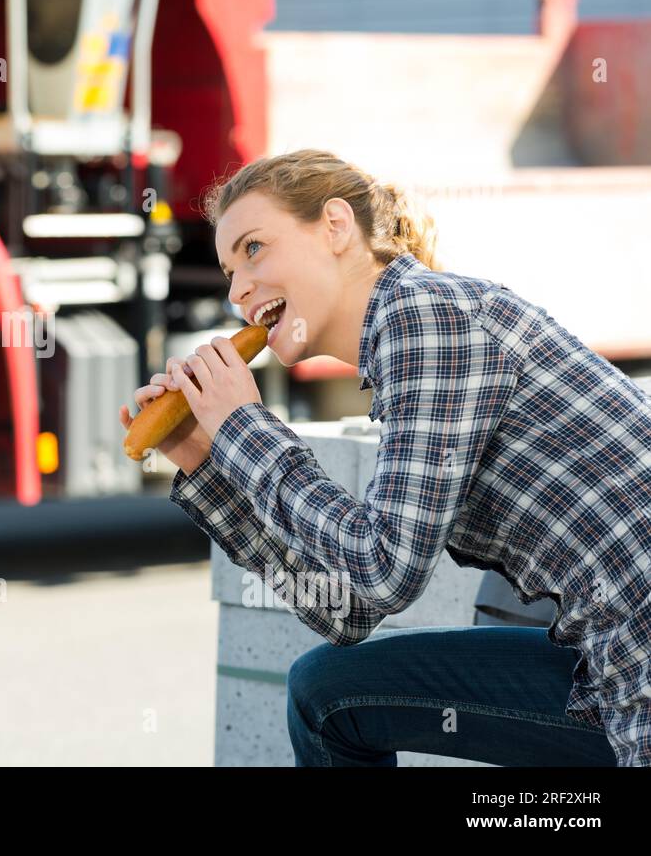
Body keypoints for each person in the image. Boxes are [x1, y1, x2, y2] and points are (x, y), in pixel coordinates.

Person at [120, 148, 651, 766]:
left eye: (255, 249)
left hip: (635, 660)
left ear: (336, 227)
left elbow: (384, 570)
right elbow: (345, 608)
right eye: (228, 271)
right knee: (327, 693)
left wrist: (246, 429)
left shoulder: (425, 315)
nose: (238, 289)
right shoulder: (402, 350)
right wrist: (205, 458)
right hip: (608, 662)